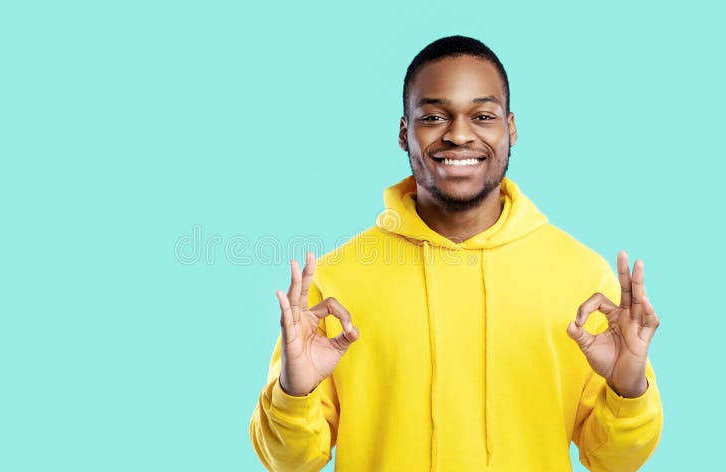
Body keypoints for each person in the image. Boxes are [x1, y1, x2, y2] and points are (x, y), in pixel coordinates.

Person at [249, 35, 662, 472]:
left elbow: (615, 460)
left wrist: (628, 388)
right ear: (405, 132)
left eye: (482, 115)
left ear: (511, 128)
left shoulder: (582, 279)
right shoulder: (336, 283)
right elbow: (289, 462)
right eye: (433, 116)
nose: (459, 134)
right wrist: (293, 393)